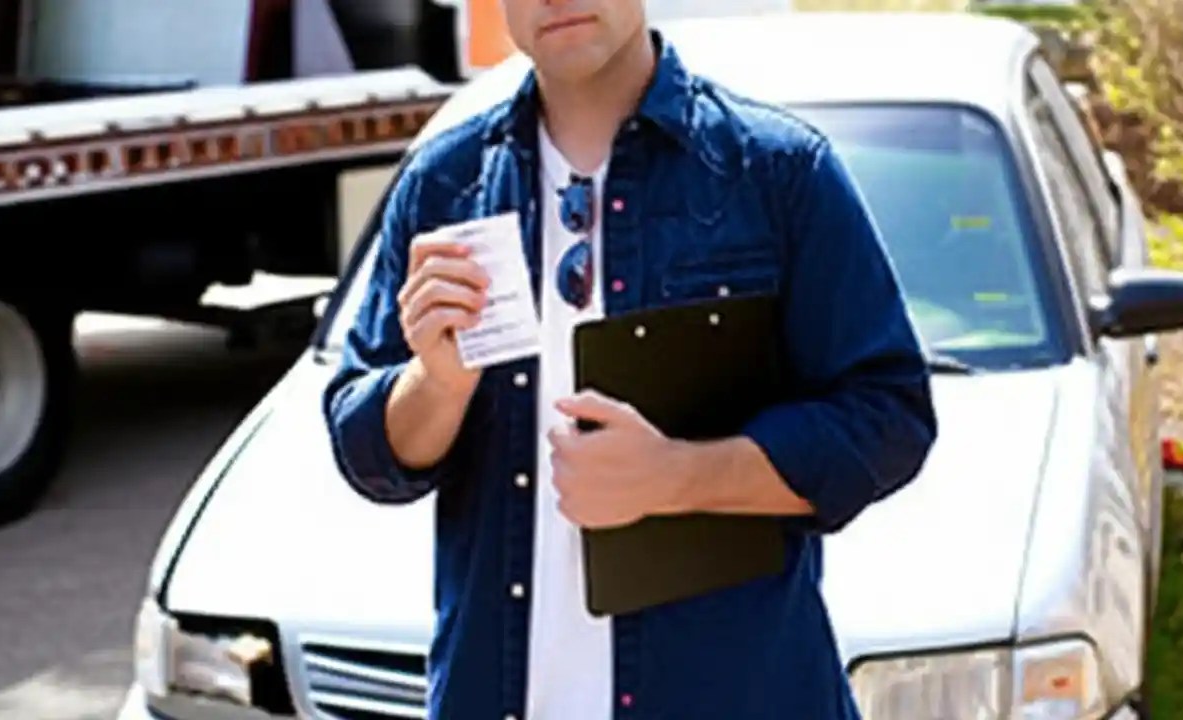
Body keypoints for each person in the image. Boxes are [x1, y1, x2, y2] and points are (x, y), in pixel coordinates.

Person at [322, 1, 938, 718]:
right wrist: (440, 382)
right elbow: (367, 451)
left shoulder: (775, 172)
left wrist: (677, 478)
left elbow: (888, 418)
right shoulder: (444, 184)